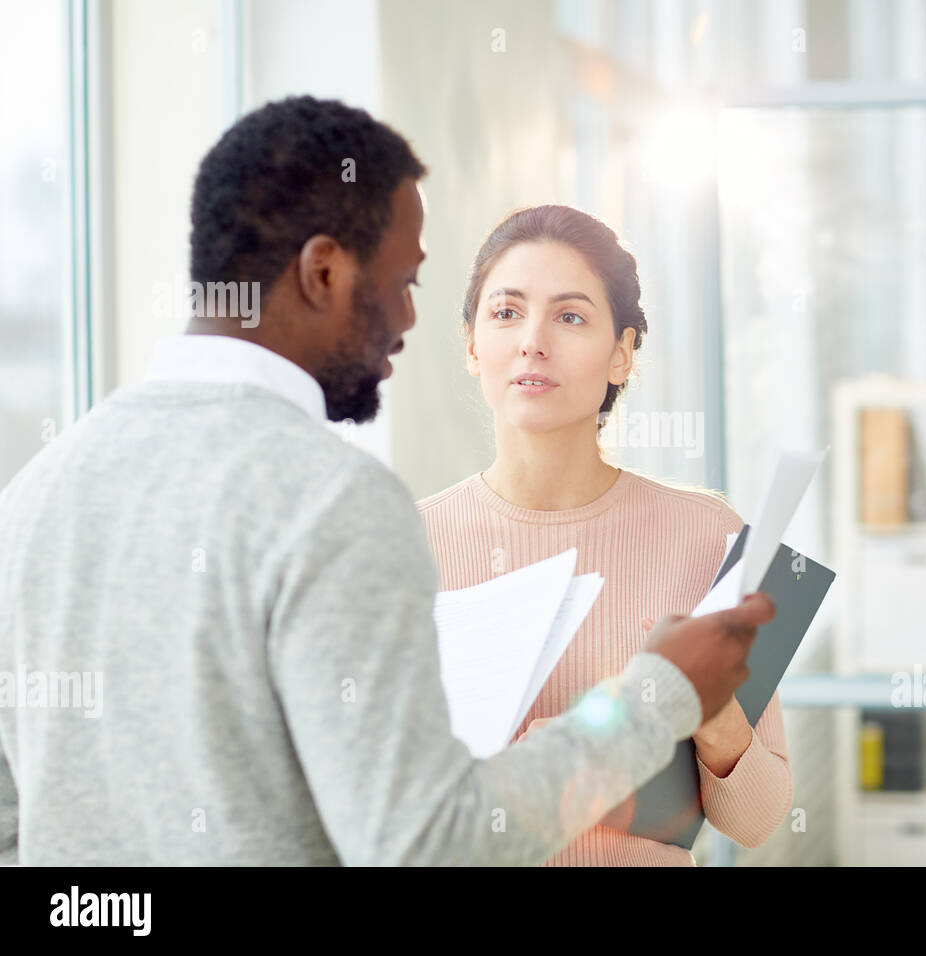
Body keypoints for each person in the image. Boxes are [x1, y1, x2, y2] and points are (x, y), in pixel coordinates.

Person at [0, 96, 774, 866]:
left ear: (621, 350)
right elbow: (427, 842)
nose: (407, 320)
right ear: (325, 272)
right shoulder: (335, 503)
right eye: (404, 282)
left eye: (569, 317)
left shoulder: (34, 496)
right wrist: (655, 696)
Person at [416, 205, 793, 865]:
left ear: (621, 354)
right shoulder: (404, 547)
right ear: (473, 346)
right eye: (506, 313)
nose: (533, 340)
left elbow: (757, 819)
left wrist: (705, 708)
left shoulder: (706, 535)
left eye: (570, 316)